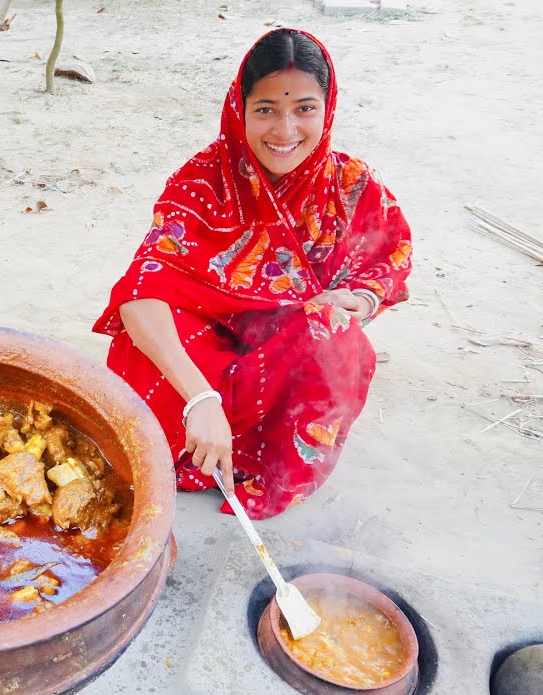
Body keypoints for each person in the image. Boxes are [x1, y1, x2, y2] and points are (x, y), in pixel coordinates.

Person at [93, 28, 412, 520]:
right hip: (205, 348)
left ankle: (261, 463)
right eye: (265, 109)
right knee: (142, 350)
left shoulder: (349, 185)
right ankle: (192, 442)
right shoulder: (204, 180)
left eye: (304, 108)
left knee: (339, 341)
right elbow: (141, 291)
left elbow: (388, 256)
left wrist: (361, 300)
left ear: (327, 110)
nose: (285, 131)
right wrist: (200, 396)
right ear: (239, 109)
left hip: (277, 356)